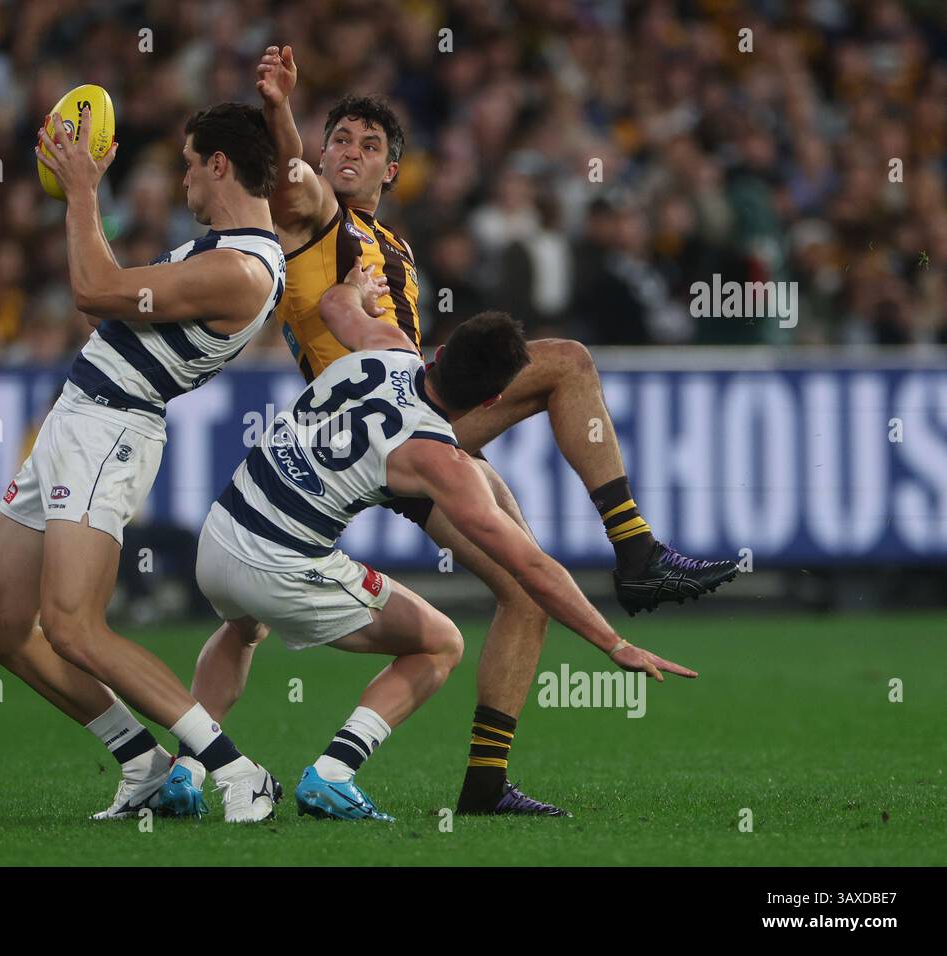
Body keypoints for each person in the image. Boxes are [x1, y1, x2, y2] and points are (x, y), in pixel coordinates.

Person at [248, 45, 737, 816]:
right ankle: (636, 550)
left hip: (415, 417)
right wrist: (279, 107)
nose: (348, 151)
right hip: (381, 428)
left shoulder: (393, 247)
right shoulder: (314, 218)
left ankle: (484, 781)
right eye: (338, 137)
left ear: (391, 173)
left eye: (368, 146)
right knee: (566, 362)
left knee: (524, 588)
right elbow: (284, 179)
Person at [157, 262, 695, 821]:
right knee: (440, 644)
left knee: (242, 629)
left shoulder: (387, 349)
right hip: (279, 565)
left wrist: (359, 289)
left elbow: (336, 308)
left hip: (218, 536)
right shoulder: (439, 459)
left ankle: (185, 771)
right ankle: (333, 774)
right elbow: (529, 566)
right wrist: (612, 643)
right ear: (489, 403)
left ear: (439, 351)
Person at [0, 101, 286, 823]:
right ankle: (140, 762)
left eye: (187, 163)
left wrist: (83, 189)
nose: (182, 181)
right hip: (75, 420)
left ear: (219, 165)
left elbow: (94, 291)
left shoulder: (239, 268)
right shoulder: (227, 247)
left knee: (73, 625)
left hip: (110, 427)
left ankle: (238, 771)